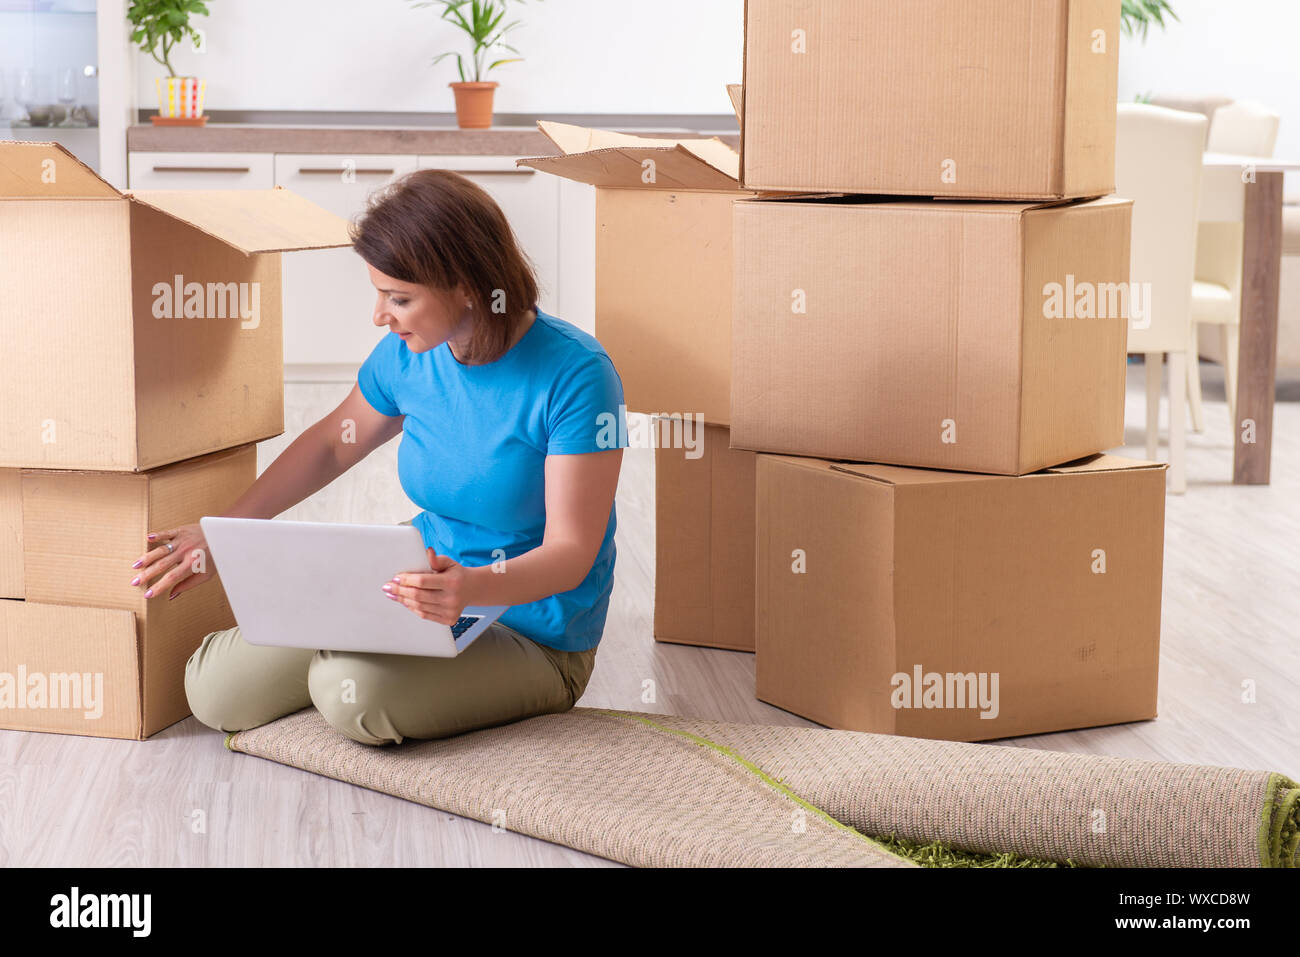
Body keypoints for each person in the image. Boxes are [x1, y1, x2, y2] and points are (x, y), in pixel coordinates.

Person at [127, 169, 626, 746]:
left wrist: (469, 588)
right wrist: (226, 530)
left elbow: (571, 554)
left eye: (399, 298)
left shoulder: (576, 375)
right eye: (380, 293)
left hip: (536, 631)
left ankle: (367, 665)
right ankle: (365, 656)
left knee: (353, 691)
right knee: (216, 690)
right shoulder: (411, 355)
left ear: (466, 285)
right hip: (421, 586)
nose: (379, 316)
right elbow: (330, 445)